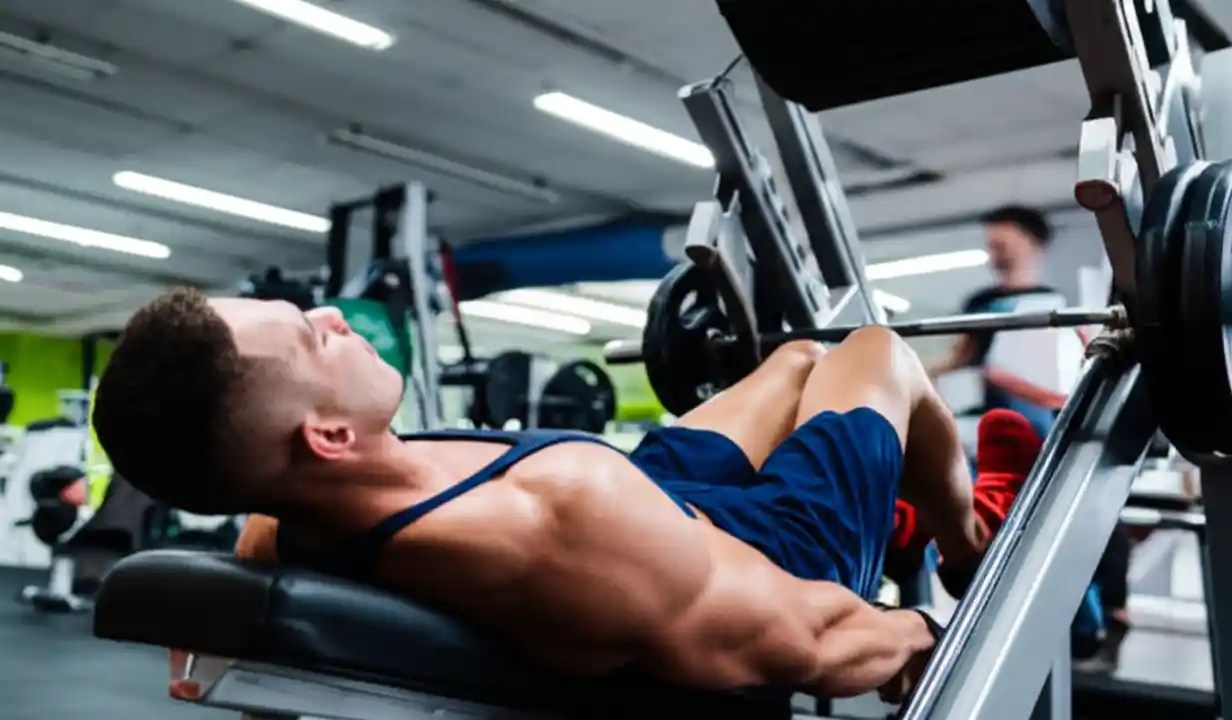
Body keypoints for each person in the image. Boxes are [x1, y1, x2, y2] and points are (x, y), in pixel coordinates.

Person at [91, 288, 1042, 700]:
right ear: (327, 437)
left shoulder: (283, 512)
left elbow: (254, 542)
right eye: (311, 337)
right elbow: (804, 639)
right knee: (874, 351)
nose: (335, 317)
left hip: (658, 506)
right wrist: (940, 634)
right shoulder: (558, 525)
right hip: (778, 554)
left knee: (799, 360)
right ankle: (969, 536)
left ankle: (904, 500)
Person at [926, 205, 1060, 436]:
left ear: (1032, 241)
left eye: (1002, 245)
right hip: (995, 408)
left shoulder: (1056, 302)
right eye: (992, 246)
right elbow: (961, 354)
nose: (995, 252)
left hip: (1045, 407)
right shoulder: (982, 302)